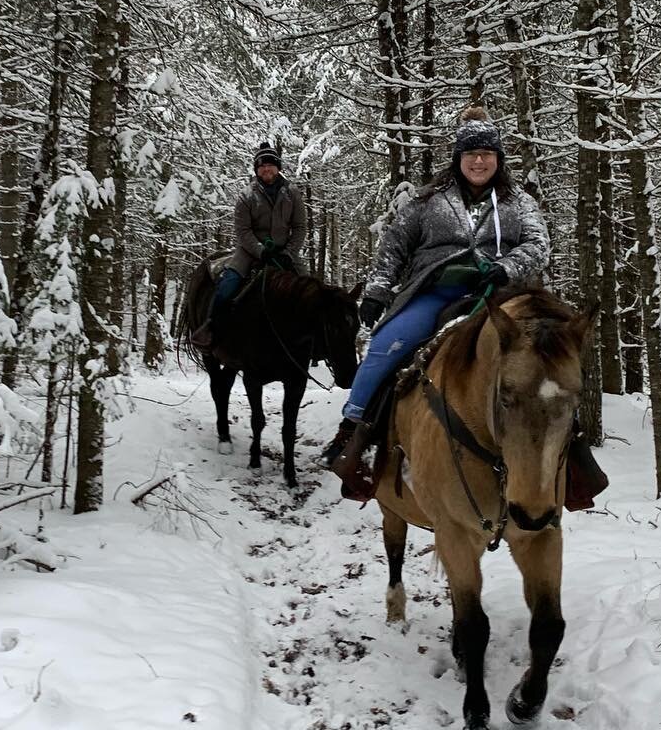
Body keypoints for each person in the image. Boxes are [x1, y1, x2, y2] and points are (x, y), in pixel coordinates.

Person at [325, 111, 550, 491]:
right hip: (435, 293)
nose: (479, 161)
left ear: (498, 158)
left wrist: (508, 267)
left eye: (486, 153)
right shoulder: (428, 199)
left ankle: (568, 453)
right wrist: (378, 291)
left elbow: (538, 245)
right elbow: (394, 246)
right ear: (458, 159)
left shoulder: (518, 203)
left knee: (551, 353)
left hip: (497, 295)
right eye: (470, 154)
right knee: (384, 347)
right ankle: (353, 428)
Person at [193, 142, 308, 350]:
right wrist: (261, 251)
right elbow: (242, 231)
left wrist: (288, 253)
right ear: (256, 169)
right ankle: (211, 328)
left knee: (309, 289)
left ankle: (312, 342)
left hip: (284, 254)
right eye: (262, 165)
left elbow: (300, 227)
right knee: (227, 285)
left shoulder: (293, 193)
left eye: (271, 164)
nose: (266, 169)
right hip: (250, 254)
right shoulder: (246, 196)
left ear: (278, 167)